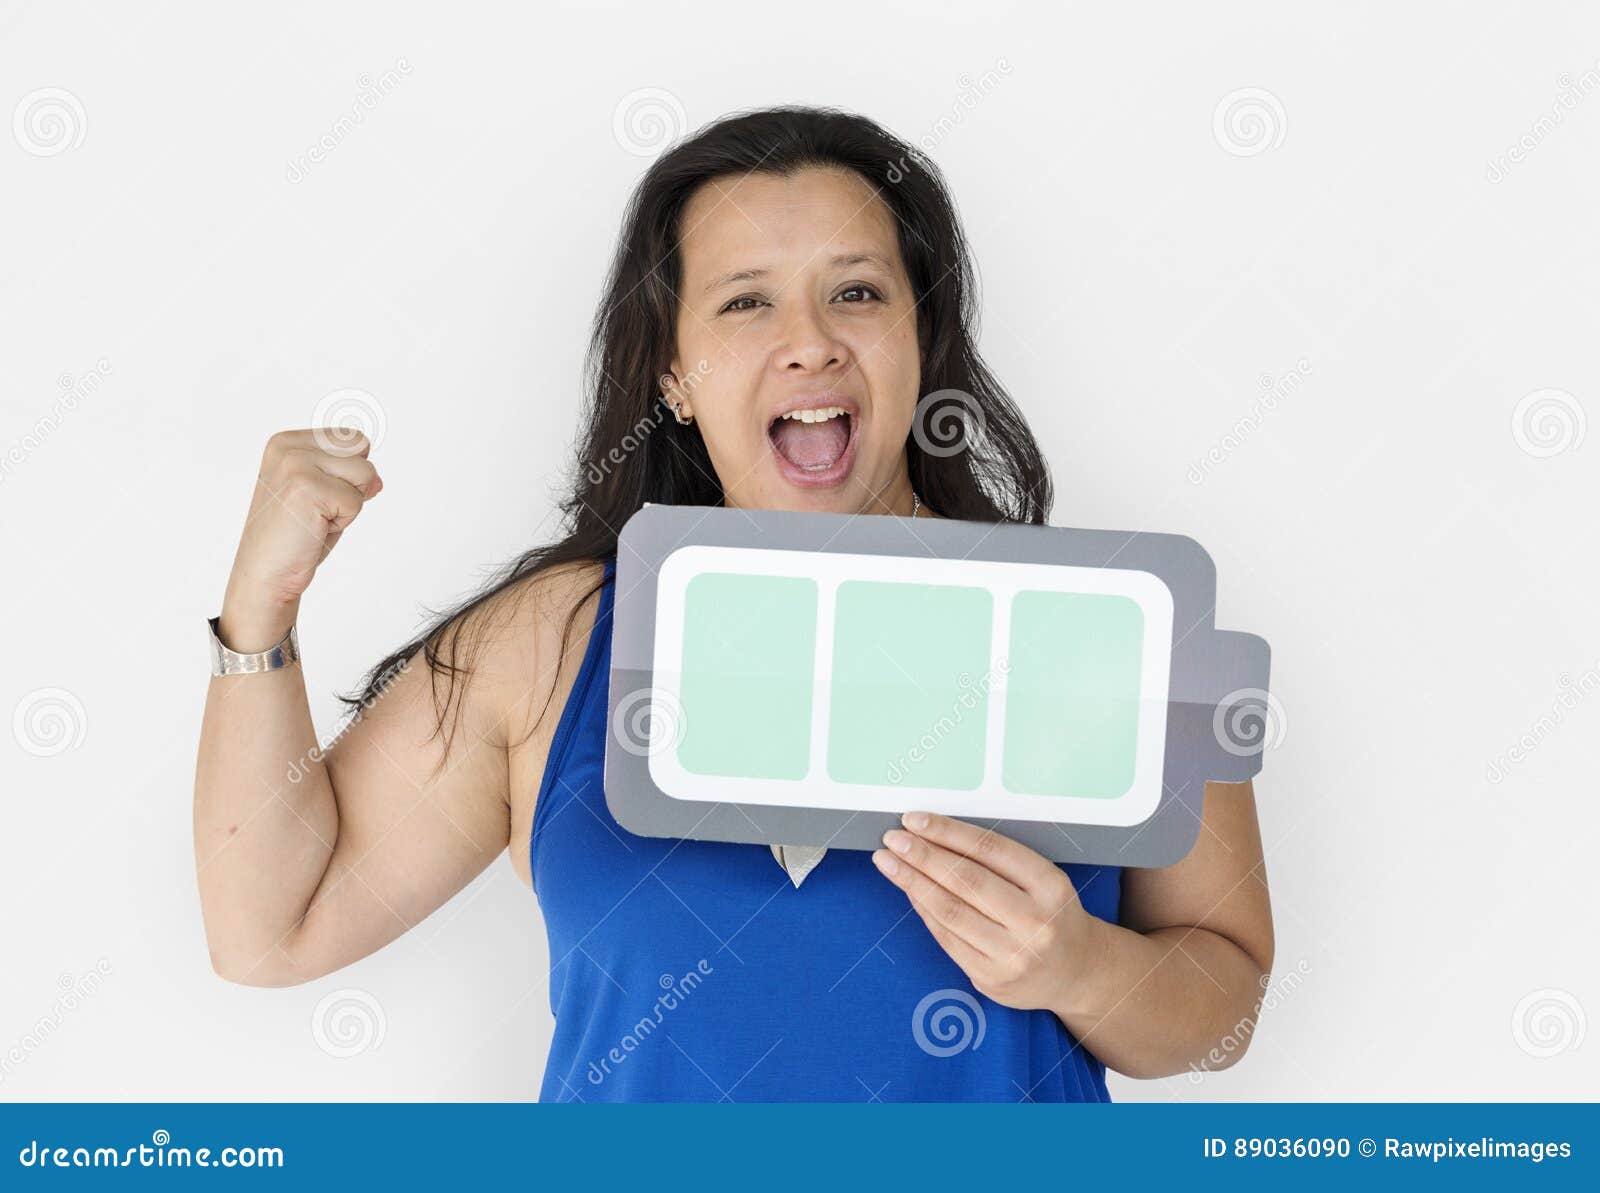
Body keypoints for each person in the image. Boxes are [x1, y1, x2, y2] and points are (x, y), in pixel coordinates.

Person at [194, 105, 1274, 1102]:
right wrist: (262, 606)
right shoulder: (554, 641)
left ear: (918, 337)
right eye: (745, 300)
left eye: (856, 290)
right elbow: (271, 929)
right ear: (673, 373)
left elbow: (1221, 1005)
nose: (808, 339)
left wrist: (1078, 966)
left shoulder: (1113, 627)